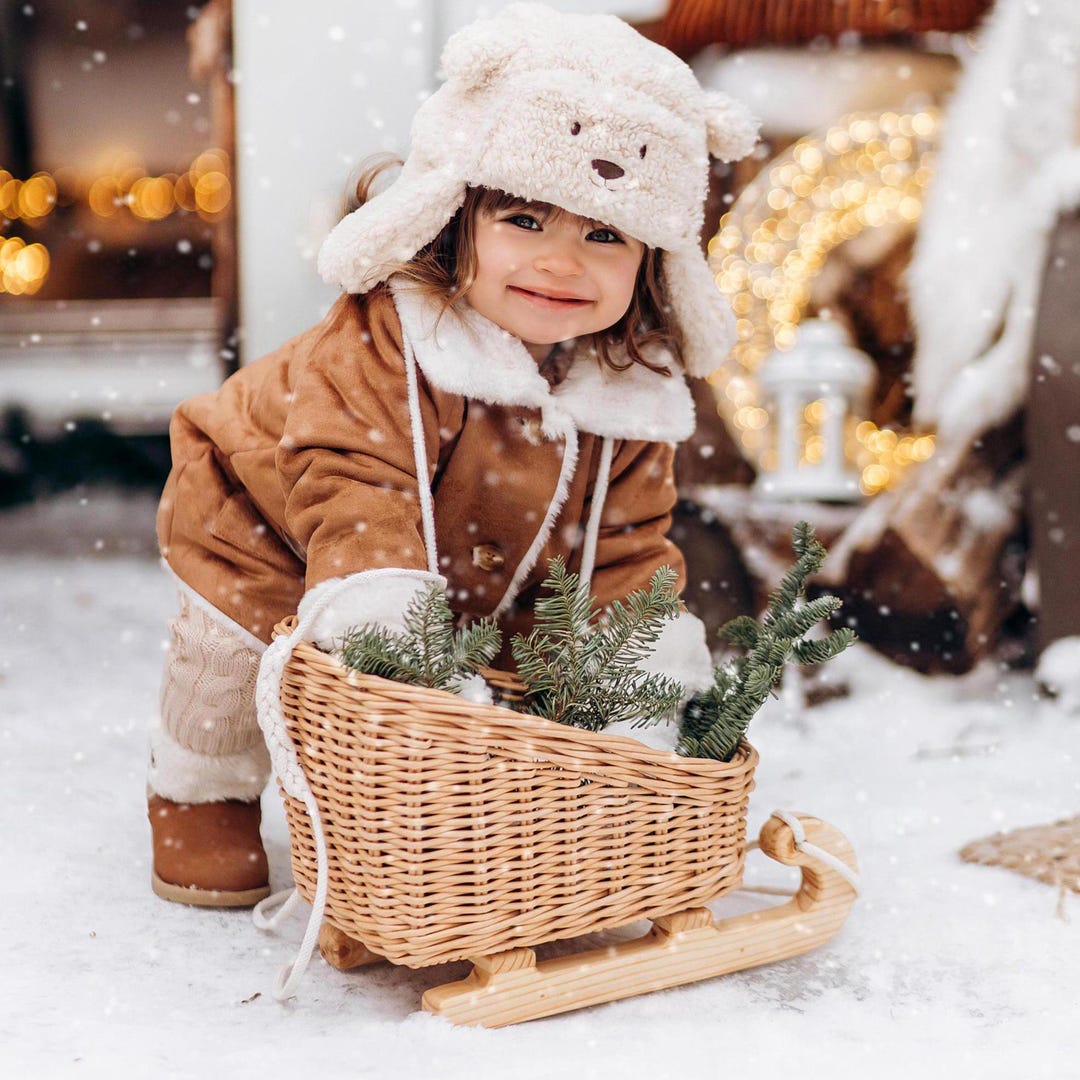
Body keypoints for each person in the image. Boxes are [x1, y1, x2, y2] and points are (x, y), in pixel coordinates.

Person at [147, 1, 758, 907]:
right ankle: (196, 795)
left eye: (604, 235)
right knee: (232, 656)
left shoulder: (632, 395)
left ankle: (473, 829)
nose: (562, 263)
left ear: (654, 262)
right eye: (525, 219)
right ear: (455, 217)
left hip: (467, 556)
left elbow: (624, 551)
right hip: (263, 506)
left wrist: (634, 698)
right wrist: (396, 645)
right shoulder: (390, 341)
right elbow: (359, 489)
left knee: (504, 682)